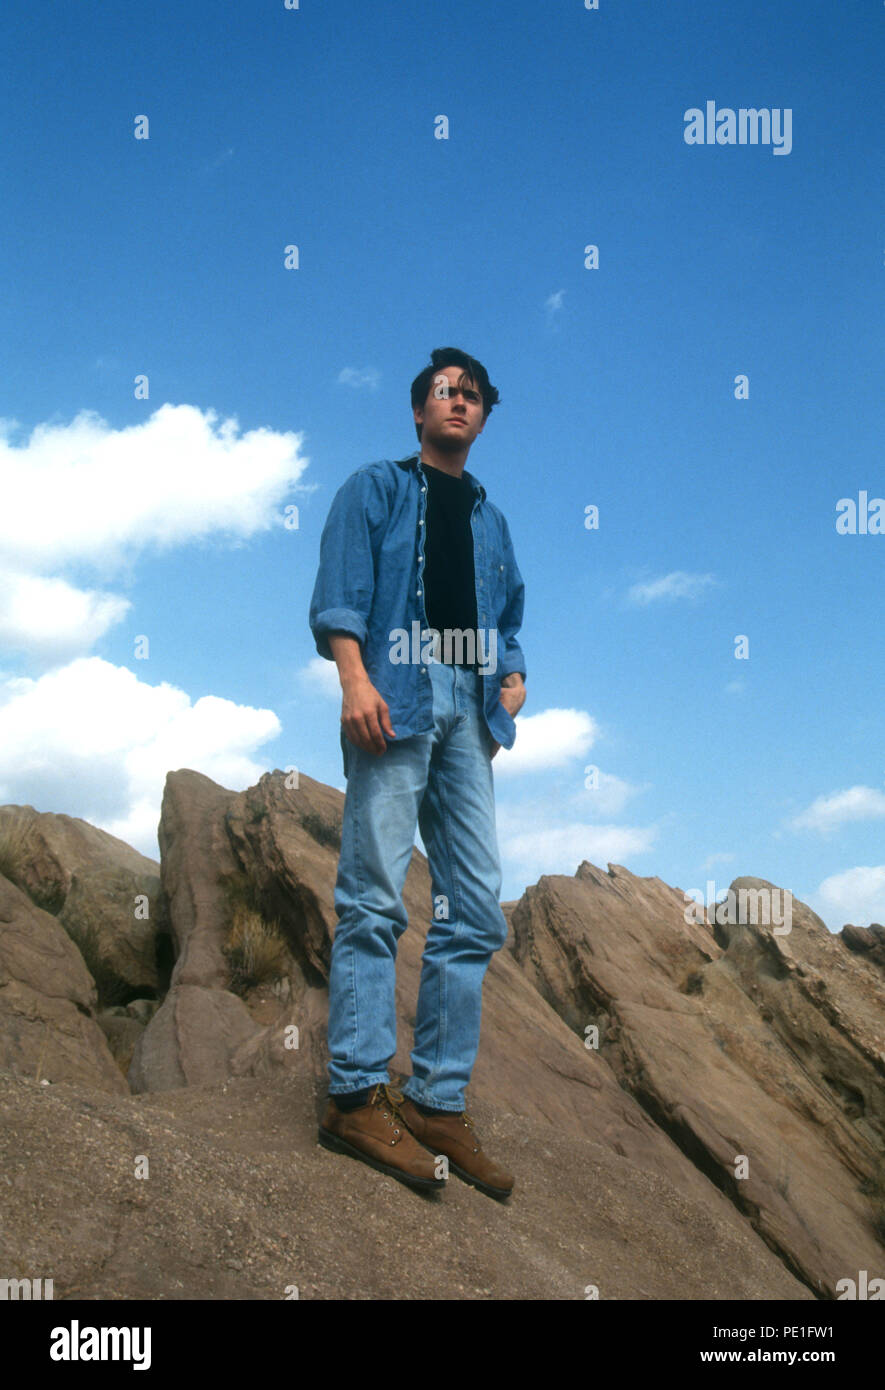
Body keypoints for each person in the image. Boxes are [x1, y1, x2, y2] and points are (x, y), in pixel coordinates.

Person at [308, 347, 526, 1198]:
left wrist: (513, 673)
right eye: (446, 392)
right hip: (394, 692)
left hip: (468, 711)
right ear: (417, 410)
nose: (460, 403)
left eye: (473, 395)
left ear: (481, 415)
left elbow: (510, 616)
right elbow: (339, 592)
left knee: (474, 908)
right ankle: (353, 1096)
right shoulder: (376, 487)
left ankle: (435, 1101)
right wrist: (354, 680)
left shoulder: (490, 519)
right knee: (372, 895)